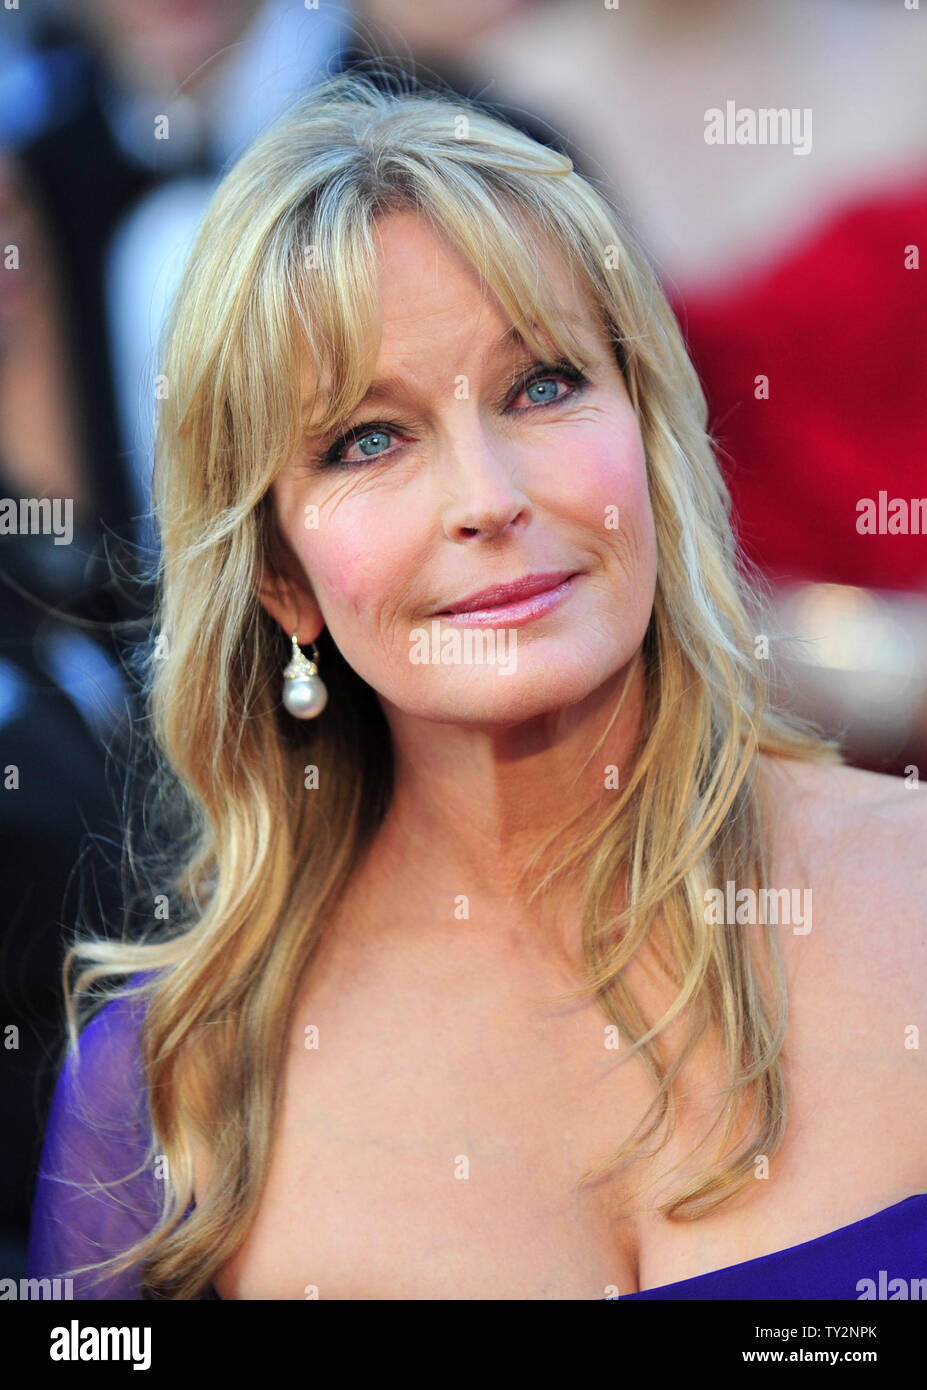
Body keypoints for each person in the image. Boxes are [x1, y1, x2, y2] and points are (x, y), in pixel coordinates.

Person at [26, 70, 927, 1301]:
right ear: (280, 577)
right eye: (368, 439)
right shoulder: (167, 1096)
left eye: (543, 384)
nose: (488, 495)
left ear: (652, 439)